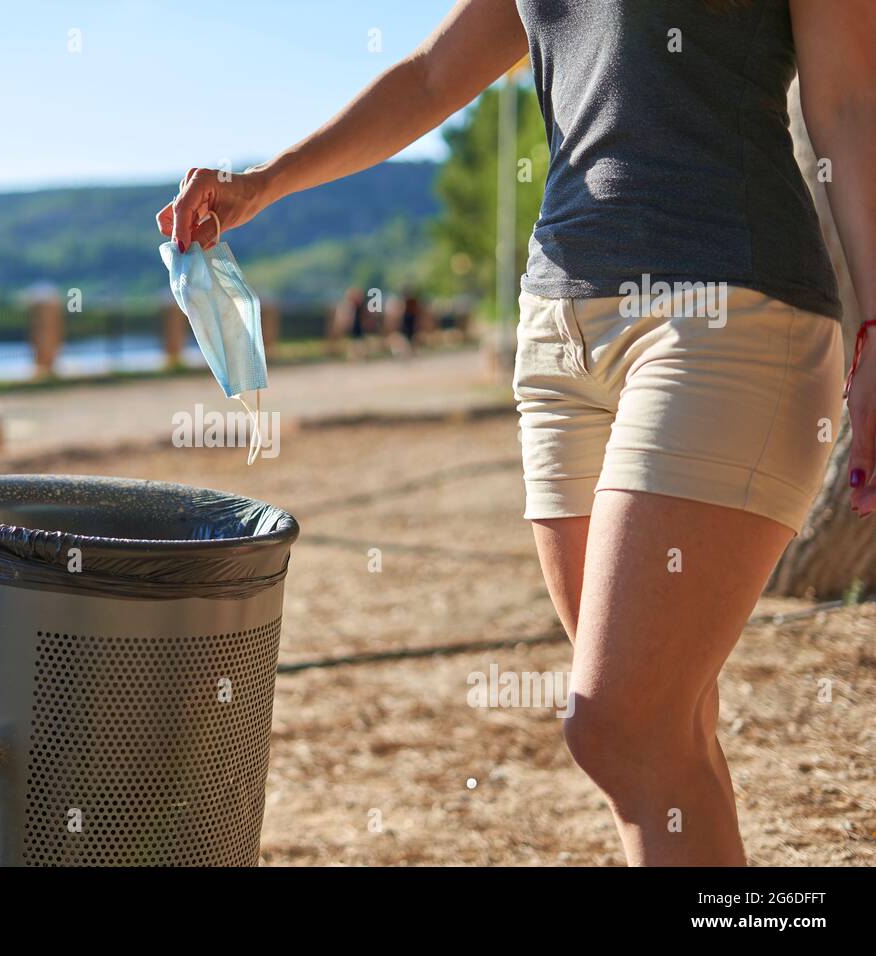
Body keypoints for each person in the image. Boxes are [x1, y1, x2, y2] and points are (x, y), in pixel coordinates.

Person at [156, 0, 876, 866]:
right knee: (670, 730)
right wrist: (264, 182)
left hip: (726, 314)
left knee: (623, 726)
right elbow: (429, 74)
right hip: (559, 338)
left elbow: (849, 107)